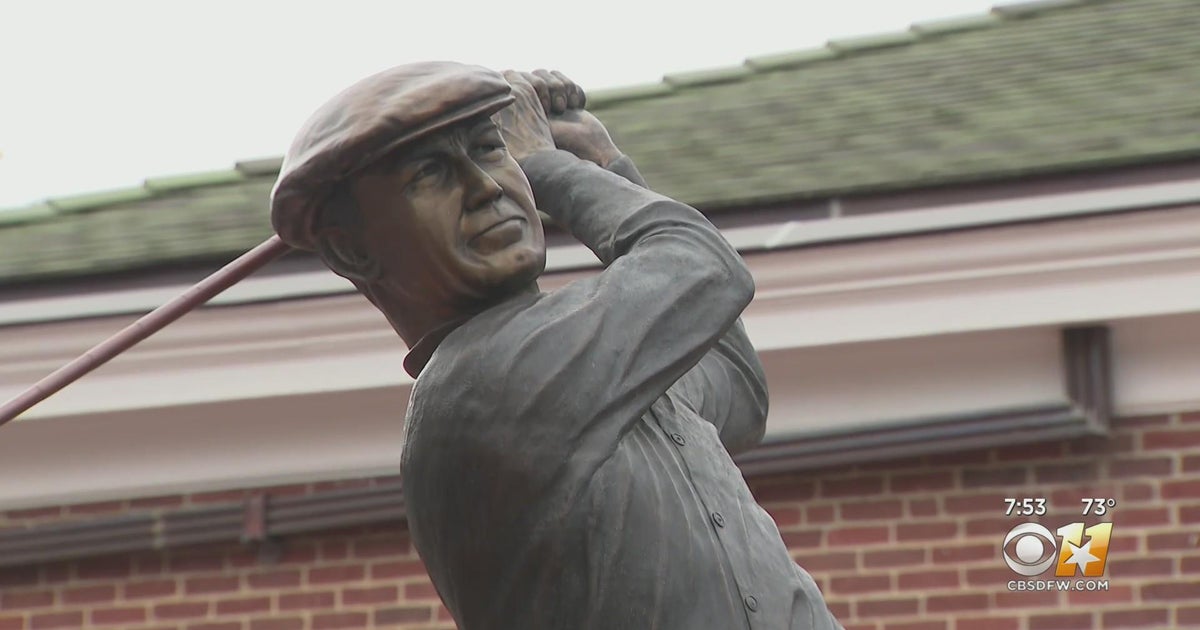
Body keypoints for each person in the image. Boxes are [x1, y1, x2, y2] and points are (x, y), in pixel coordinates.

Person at [271, 61, 842, 630]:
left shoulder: (590, 371)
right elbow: (703, 267)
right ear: (352, 252)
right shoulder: (487, 382)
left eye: (491, 149)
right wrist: (548, 164)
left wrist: (601, 162)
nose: (487, 186)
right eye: (430, 174)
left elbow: (736, 387)